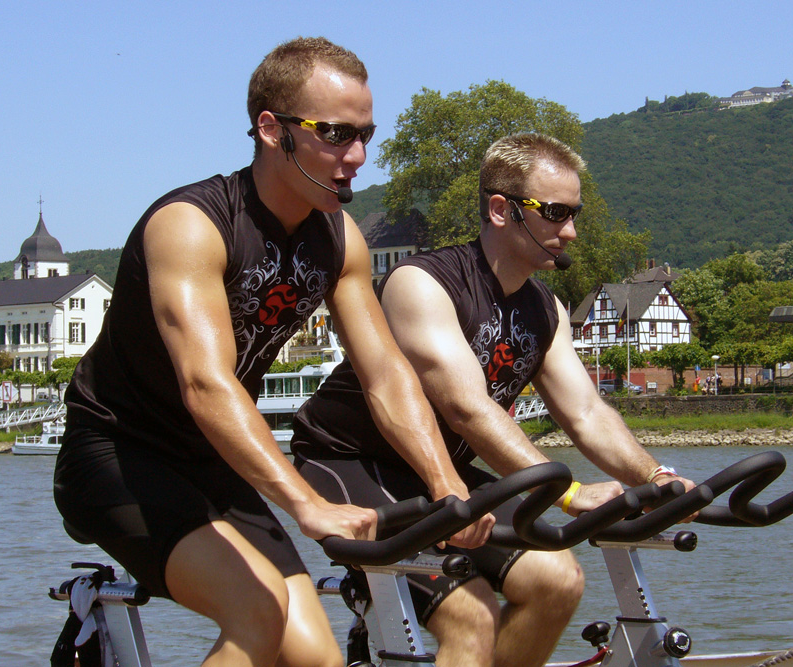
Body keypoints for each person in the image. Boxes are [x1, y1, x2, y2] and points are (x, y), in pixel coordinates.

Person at [53, 37, 489, 667]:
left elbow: (387, 375)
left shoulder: (340, 239)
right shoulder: (191, 224)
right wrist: (307, 504)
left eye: (366, 134)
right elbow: (206, 384)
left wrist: (445, 483)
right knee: (256, 613)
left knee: (314, 658)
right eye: (336, 134)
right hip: (118, 454)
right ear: (270, 129)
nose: (358, 156)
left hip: (213, 465)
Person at [291, 133, 696, 667]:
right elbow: (467, 407)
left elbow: (586, 412)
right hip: (352, 460)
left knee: (558, 580)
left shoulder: (545, 309)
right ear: (502, 209)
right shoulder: (424, 283)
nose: (569, 231)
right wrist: (569, 495)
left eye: (574, 214)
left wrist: (655, 476)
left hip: (444, 473)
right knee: (472, 615)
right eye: (554, 213)